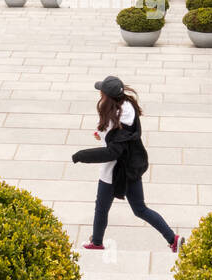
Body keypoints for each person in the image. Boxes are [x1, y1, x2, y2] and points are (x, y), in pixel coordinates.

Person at [72, 76, 184, 253]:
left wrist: (81, 155)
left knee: (101, 207)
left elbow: (112, 152)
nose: (99, 94)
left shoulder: (115, 116)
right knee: (140, 209)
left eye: (101, 92)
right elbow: (117, 138)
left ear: (107, 97)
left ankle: (97, 242)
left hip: (115, 172)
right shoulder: (127, 107)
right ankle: (173, 238)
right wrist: (102, 135)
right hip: (131, 168)